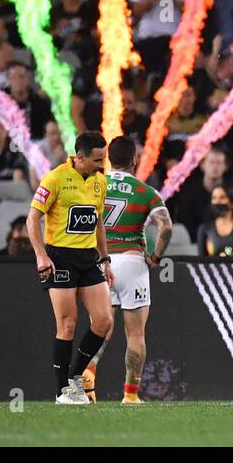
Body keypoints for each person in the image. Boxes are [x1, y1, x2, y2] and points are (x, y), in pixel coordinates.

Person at [78, 135, 173, 406]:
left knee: (100, 327)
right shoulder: (145, 192)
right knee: (135, 334)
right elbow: (165, 227)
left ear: (108, 159)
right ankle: (131, 394)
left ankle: (89, 371)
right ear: (134, 160)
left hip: (99, 263)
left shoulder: (94, 186)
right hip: (133, 262)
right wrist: (155, 256)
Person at [27, 131, 114, 405]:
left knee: (104, 321)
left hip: (88, 258)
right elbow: (32, 220)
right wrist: (41, 256)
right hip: (60, 257)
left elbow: (98, 221)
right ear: (80, 157)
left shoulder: (100, 182)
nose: (102, 164)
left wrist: (105, 258)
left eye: (105, 158)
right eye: (97, 159)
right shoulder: (54, 179)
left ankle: (75, 380)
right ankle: (61, 392)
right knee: (67, 324)